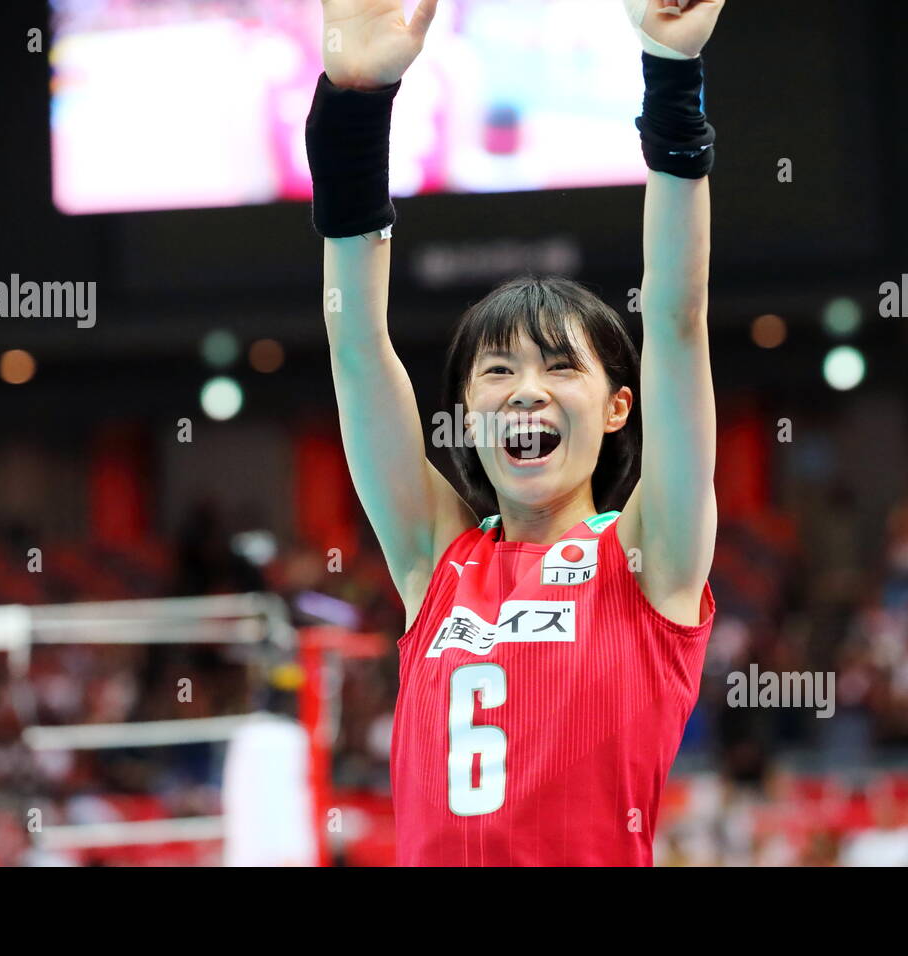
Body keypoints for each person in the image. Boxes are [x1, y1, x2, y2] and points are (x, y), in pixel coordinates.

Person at [306, 0, 724, 865]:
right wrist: (353, 107)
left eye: (562, 368)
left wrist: (671, 77)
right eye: (498, 372)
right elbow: (355, 345)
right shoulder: (436, 557)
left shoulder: (654, 557)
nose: (526, 391)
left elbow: (678, 321)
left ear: (619, 406)